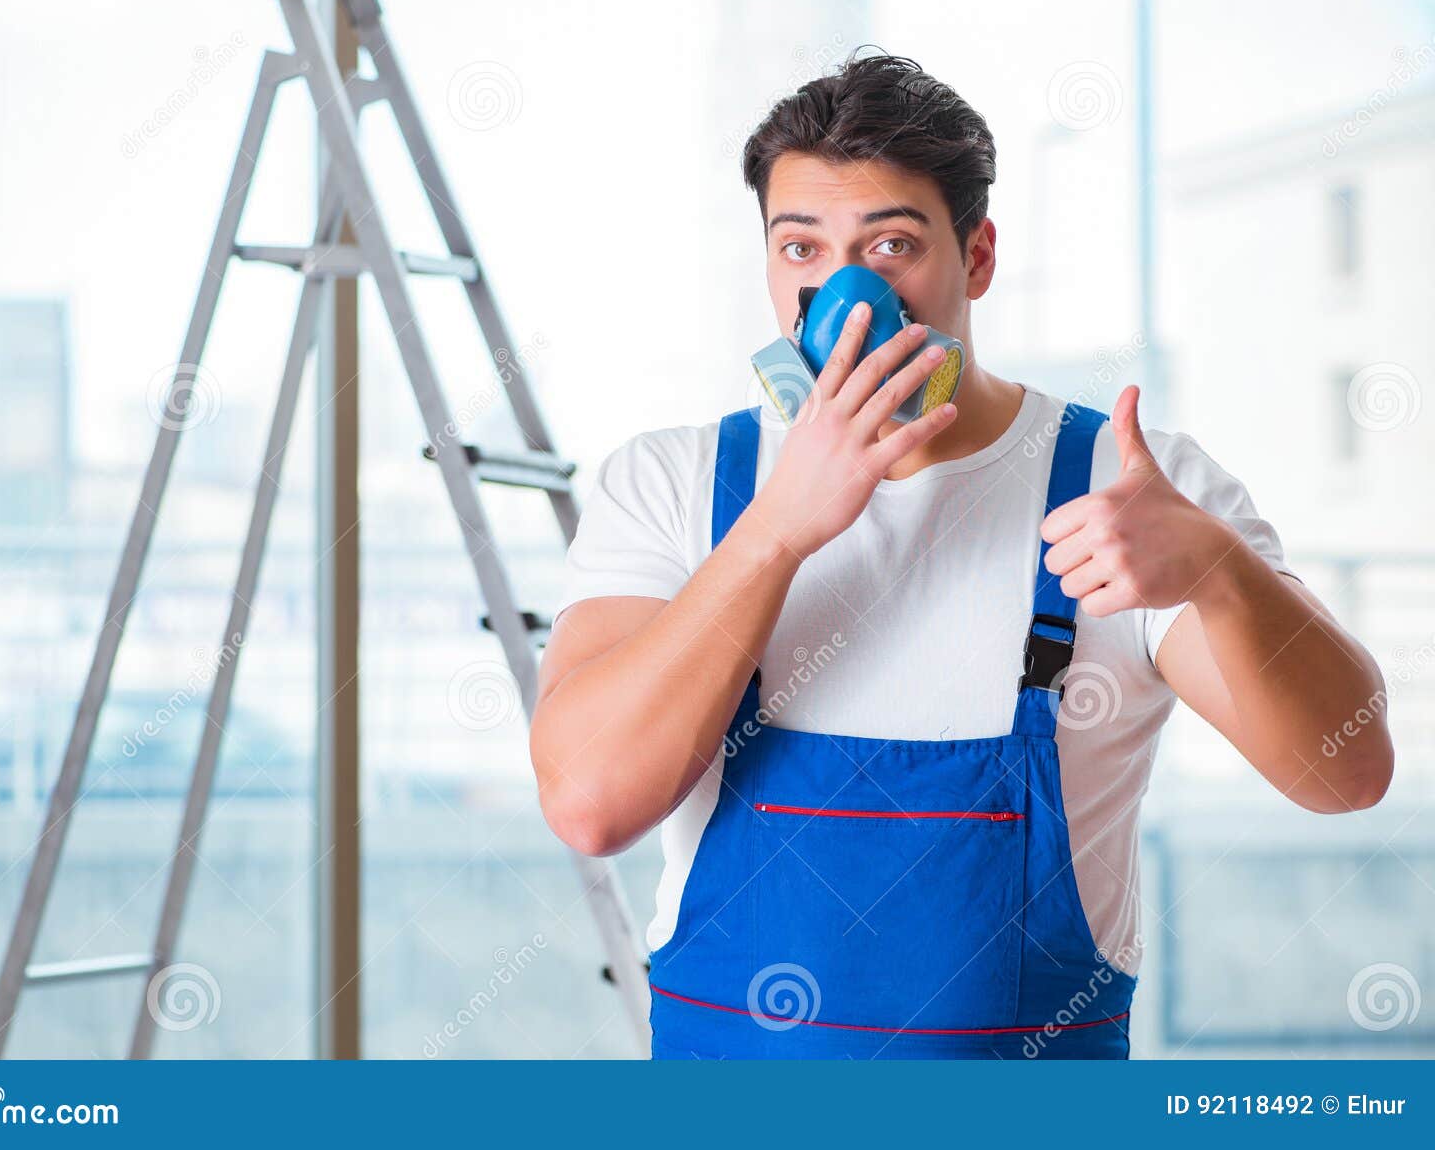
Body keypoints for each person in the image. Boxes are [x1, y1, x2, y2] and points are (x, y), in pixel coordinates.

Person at [527, 54, 1393, 1060]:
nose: (844, 291)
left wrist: (1219, 574)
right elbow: (588, 805)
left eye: (890, 244)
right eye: (800, 247)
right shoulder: (674, 485)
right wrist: (776, 532)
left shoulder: (1129, 491)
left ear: (975, 258)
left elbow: (1346, 774)